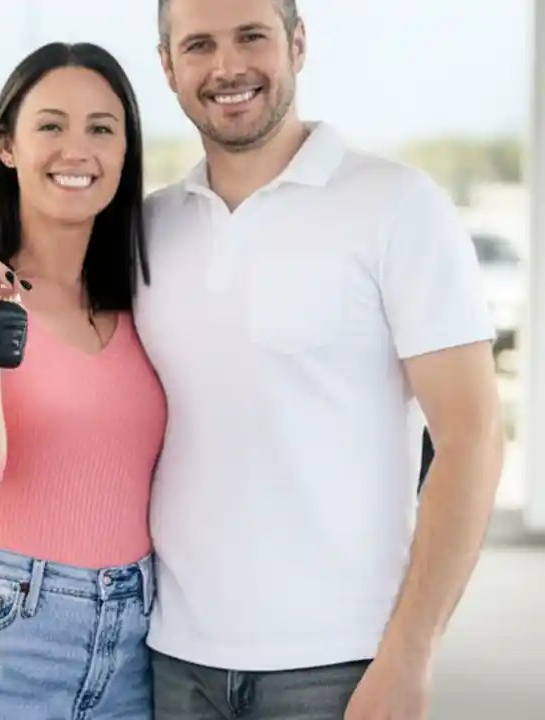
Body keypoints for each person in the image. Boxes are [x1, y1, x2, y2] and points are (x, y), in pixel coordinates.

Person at [136, 0, 505, 718]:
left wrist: (411, 653)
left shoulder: (397, 205)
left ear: (297, 43)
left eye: (251, 37)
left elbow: (474, 439)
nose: (228, 67)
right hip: (173, 661)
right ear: (168, 67)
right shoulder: (150, 226)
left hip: (341, 664)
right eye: (199, 45)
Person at [0, 42, 166, 719]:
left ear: (125, 153)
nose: (77, 150)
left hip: (136, 639)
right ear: (8, 146)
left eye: (101, 128)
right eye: (51, 125)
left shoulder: (149, 304)